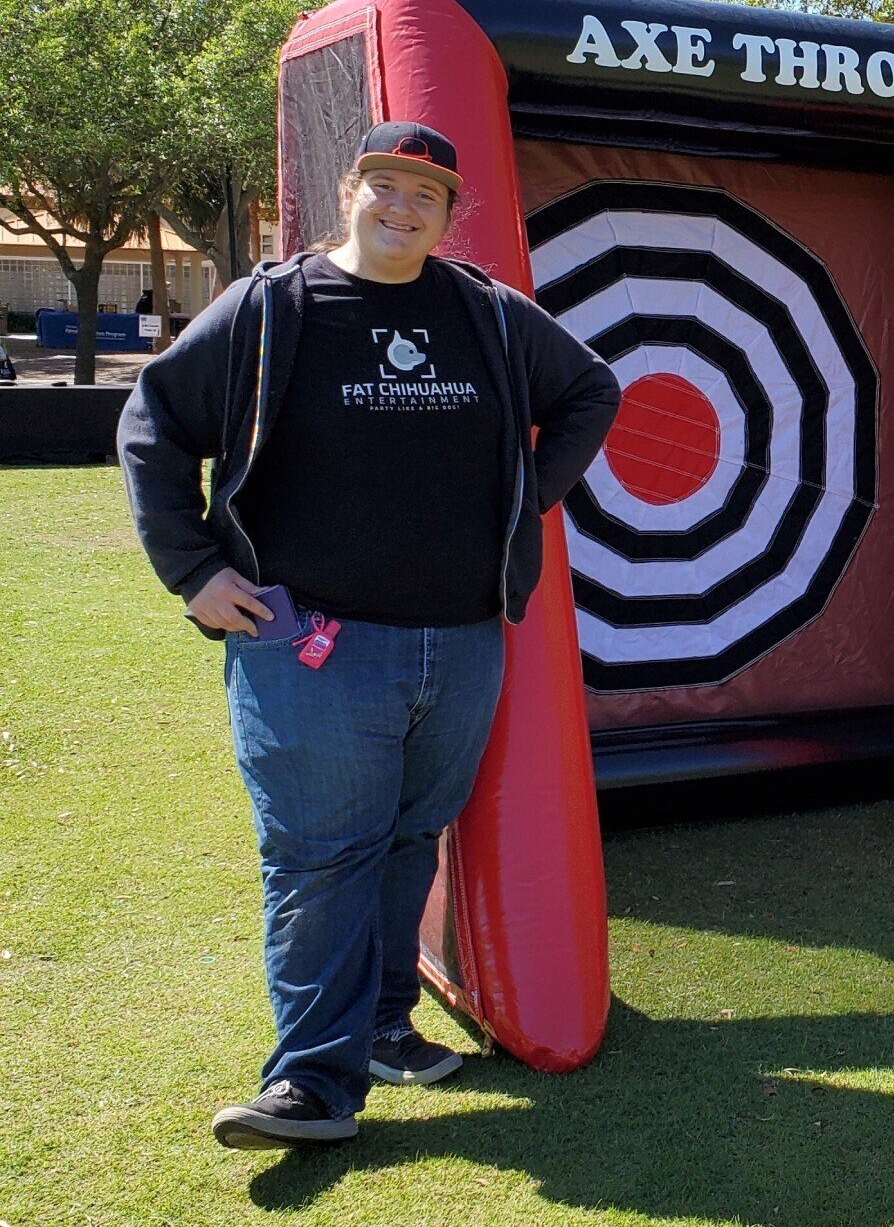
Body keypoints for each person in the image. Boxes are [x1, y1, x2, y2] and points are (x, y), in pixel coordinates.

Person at [118, 121, 620, 1151]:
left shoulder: (484, 313)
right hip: (313, 649)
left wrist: (529, 498)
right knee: (318, 858)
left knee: (403, 845)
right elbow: (155, 422)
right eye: (385, 187)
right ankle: (309, 1083)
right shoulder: (272, 306)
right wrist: (195, 570)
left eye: (427, 197)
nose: (403, 209)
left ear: (449, 215)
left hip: (461, 644)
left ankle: (386, 1026)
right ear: (349, 190)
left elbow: (589, 391)